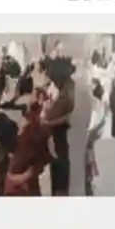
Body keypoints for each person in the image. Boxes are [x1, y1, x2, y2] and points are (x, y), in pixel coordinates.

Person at [41, 56, 76, 196]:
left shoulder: (69, 90)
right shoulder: (65, 87)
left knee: (62, 171)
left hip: (65, 137)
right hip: (59, 136)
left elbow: (71, 116)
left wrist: (50, 122)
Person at [85, 79, 107, 195]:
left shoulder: (96, 104)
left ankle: (87, 179)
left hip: (88, 135)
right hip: (88, 136)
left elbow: (97, 122)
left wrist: (90, 132)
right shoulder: (95, 103)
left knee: (87, 155)